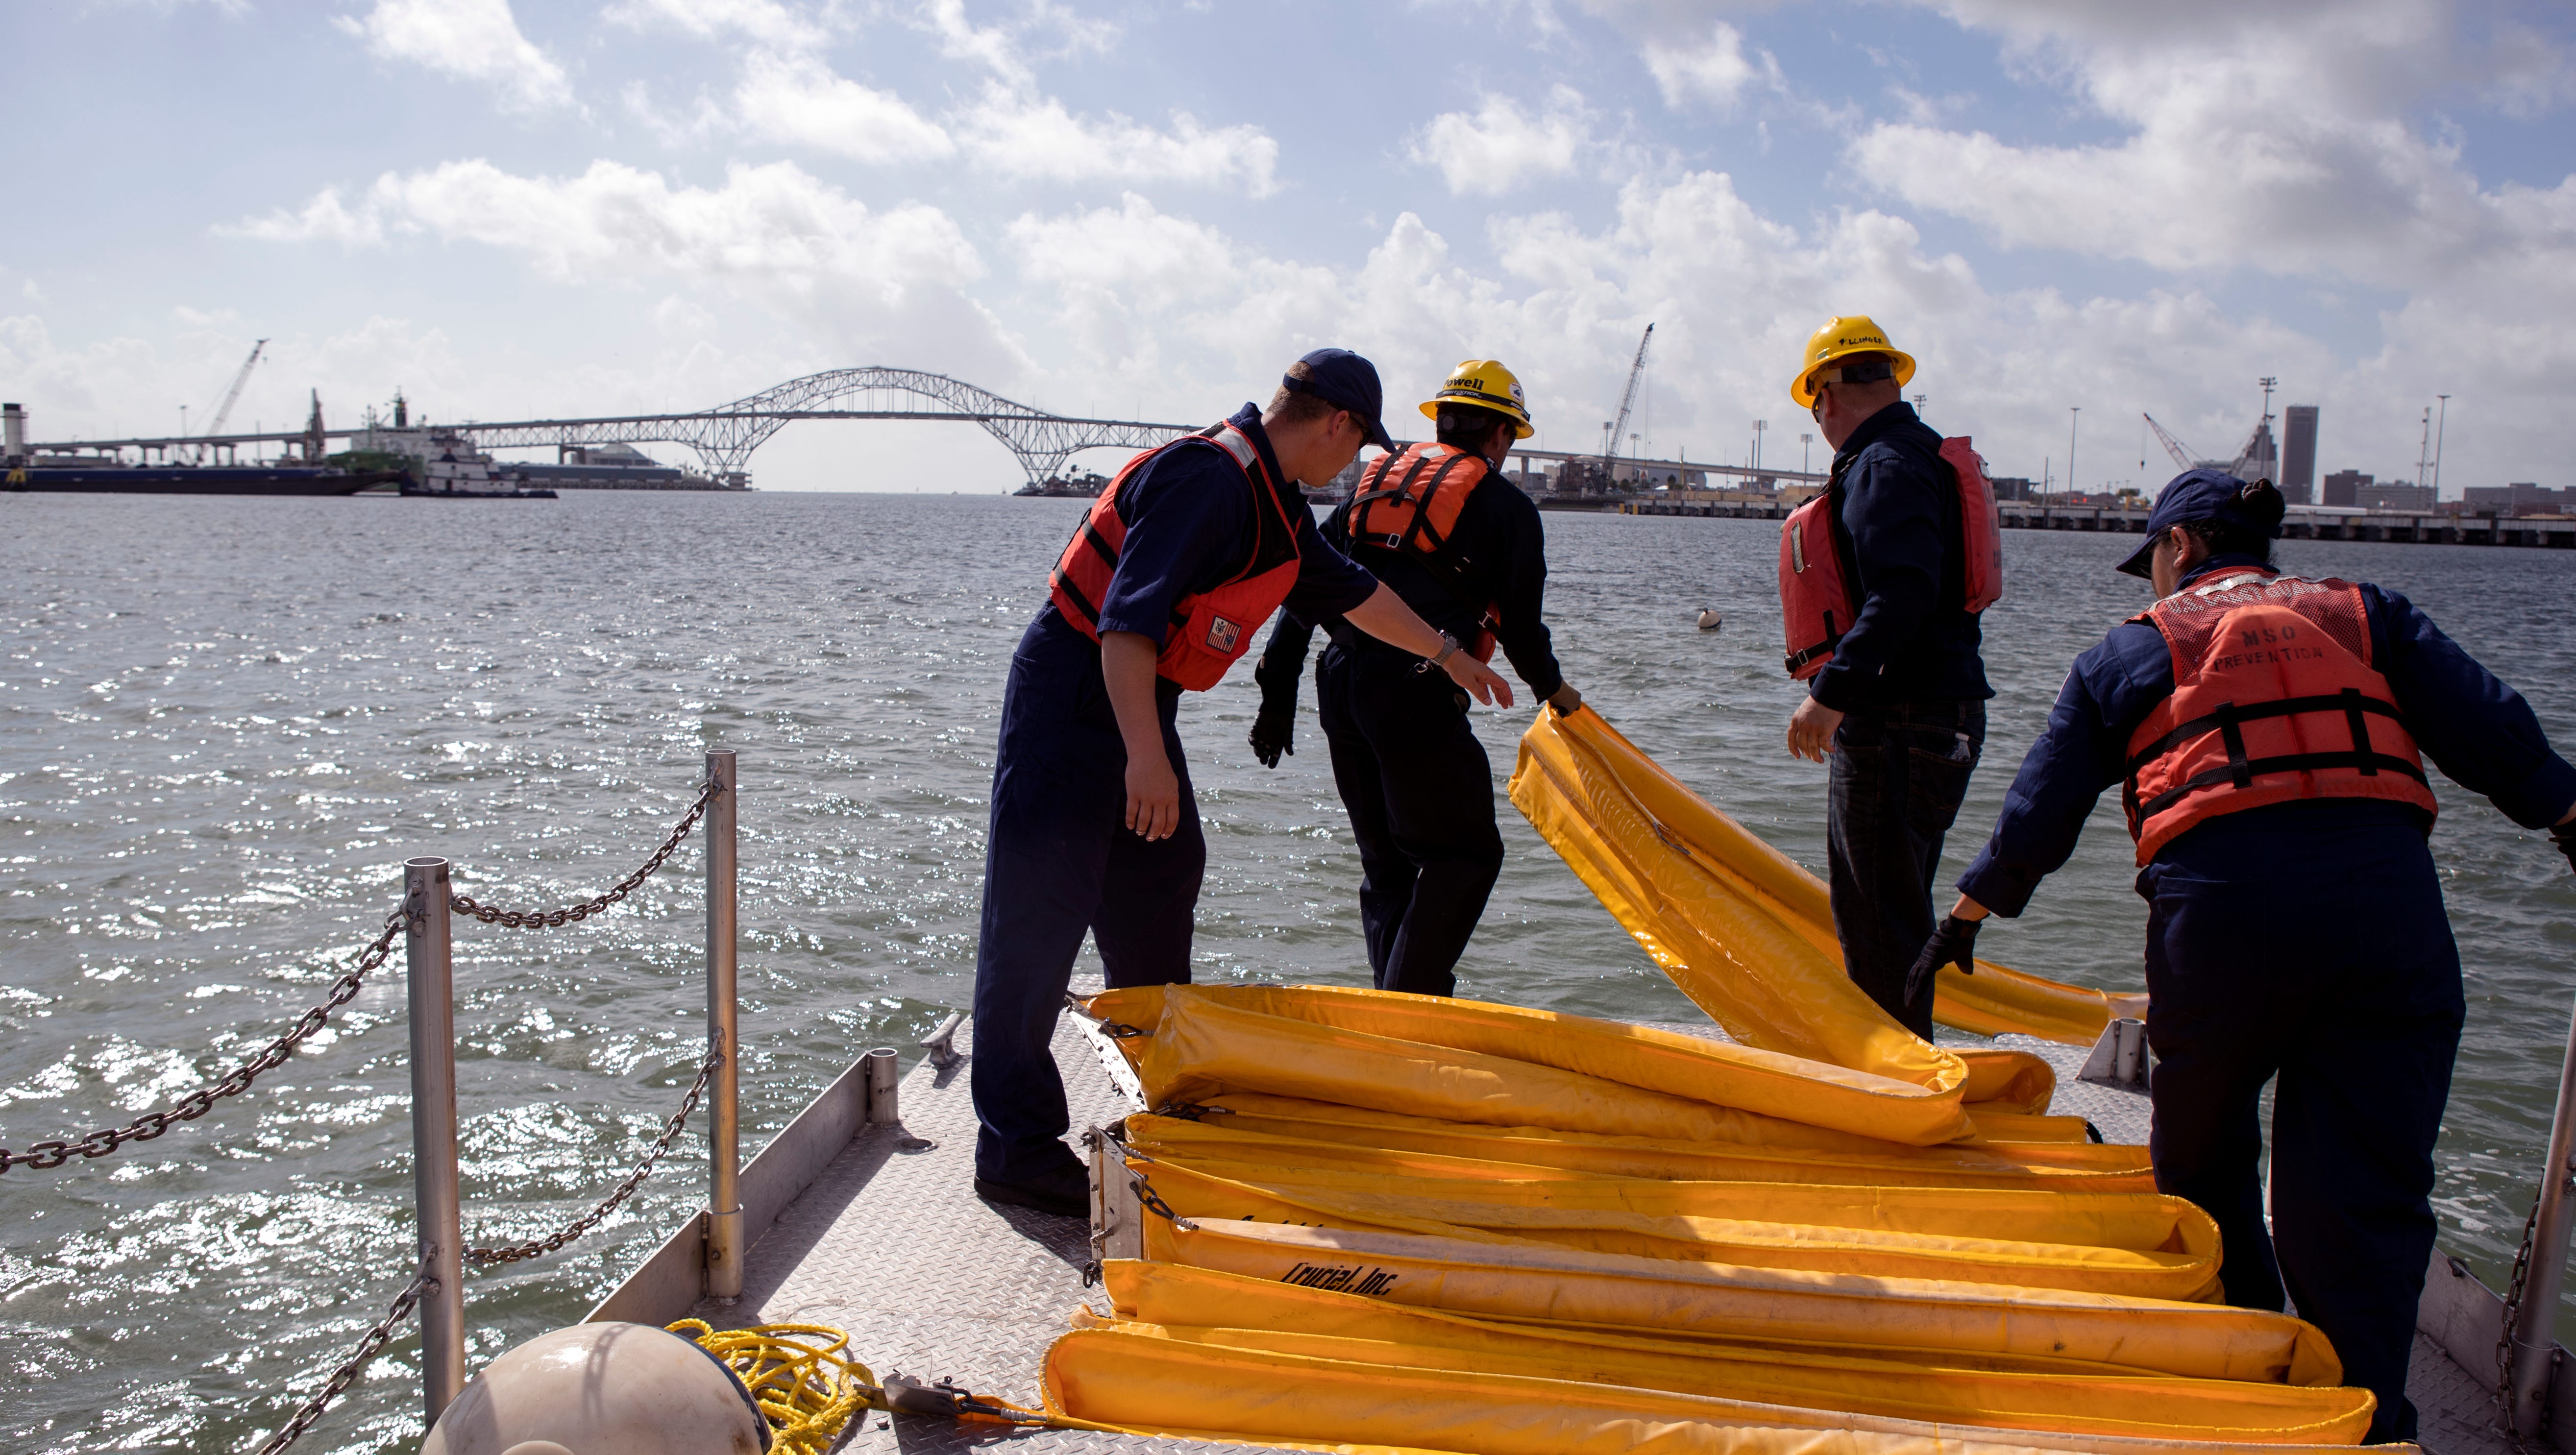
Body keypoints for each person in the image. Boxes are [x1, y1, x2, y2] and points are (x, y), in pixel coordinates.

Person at [1914, 469, 2576, 1443]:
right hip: (2387, 919)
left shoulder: (2128, 654)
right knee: (2365, 1193)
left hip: (2223, 926)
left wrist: (1963, 919)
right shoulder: (2368, 615)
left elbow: (2039, 811)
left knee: (2203, 1152)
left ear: (2179, 547)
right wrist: (2567, 817)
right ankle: (2367, 1420)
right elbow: (2492, 727)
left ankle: (2242, 1357)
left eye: (2151, 562)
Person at [971, 349, 1514, 1218]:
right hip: (1076, 696)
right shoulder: (1209, 481)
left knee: (1159, 880)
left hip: (1138, 703)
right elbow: (1122, 628)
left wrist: (1448, 654)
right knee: (1036, 921)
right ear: (1335, 423)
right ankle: (1016, 1148)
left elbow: (1356, 594)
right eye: (1359, 444)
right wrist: (1143, 758)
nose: (1358, 463)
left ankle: (1167, 1094)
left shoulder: (1278, 509)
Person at [1247, 360, 1580, 997]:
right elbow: (1522, 633)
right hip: (1413, 687)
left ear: (1442, 419)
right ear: (1502, 435)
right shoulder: (1506, 508)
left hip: (1337, 679)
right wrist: (1558, 698)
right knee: (1464, 857)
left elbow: (1307, 584)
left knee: (1388, 866)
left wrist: (1278, 692)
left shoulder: (1373, 486)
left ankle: (1394, 1014)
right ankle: (1411, 1015)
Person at [1778, 316, 1994, 1038]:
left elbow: (1899, 591)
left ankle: (1899, 1097)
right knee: (1897, 910)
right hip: (1940, 715)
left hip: (1898, 721)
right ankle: (1908, 1075)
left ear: (1827, 397)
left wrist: (1828, 695)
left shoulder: (1880, 465)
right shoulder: (1917, 455)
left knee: (1876, 923)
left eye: (1813, 405)